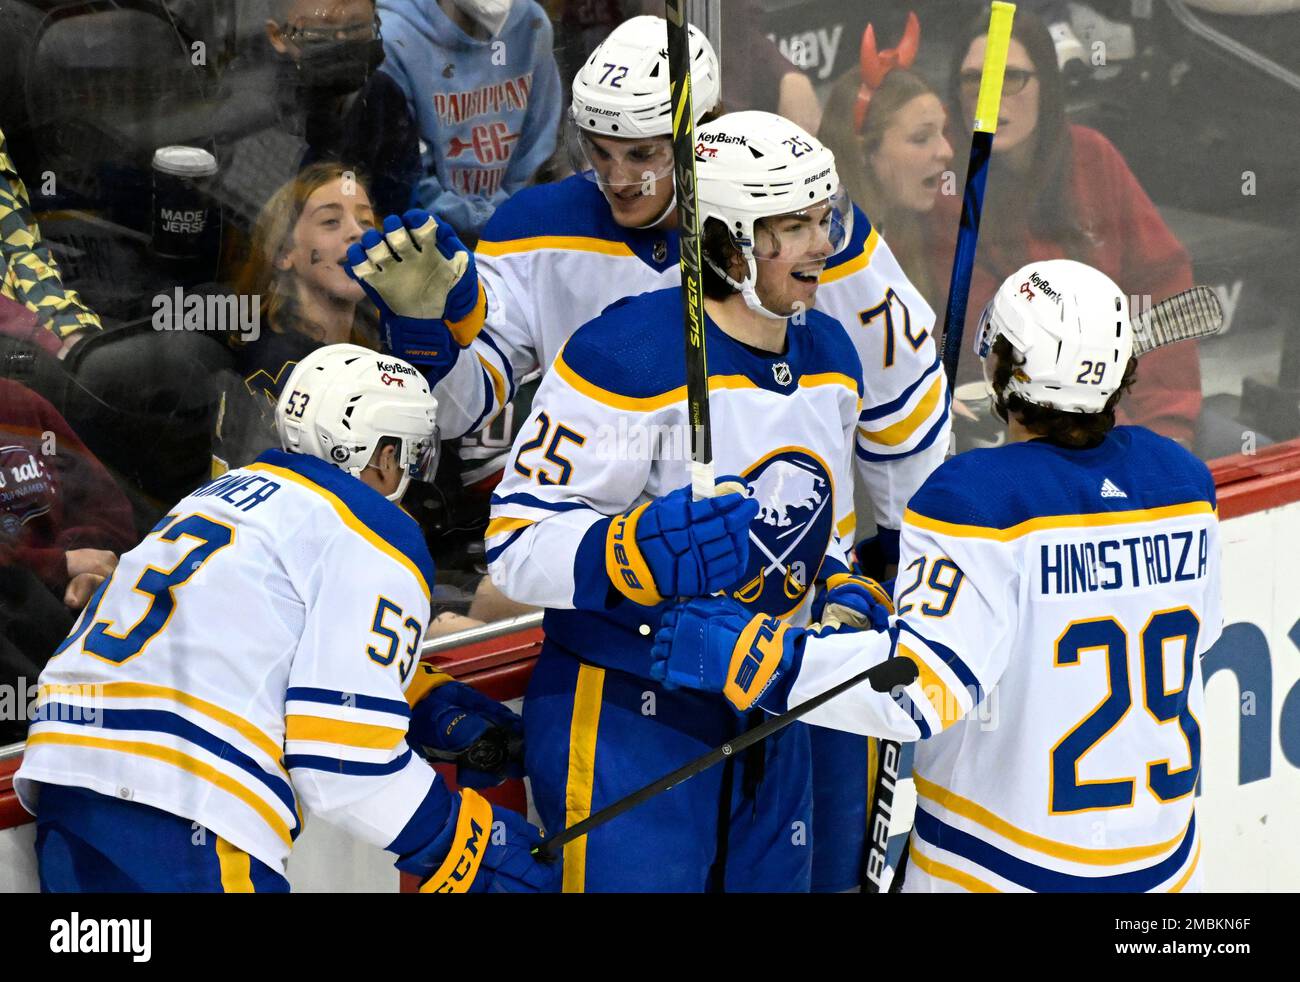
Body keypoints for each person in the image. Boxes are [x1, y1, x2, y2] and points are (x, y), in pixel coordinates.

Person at [652, 259, 1222, 893]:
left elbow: (916, 693)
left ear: (1002, 367)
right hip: (1169, 871)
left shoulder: (974, 499)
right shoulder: (1184, 482)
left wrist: (754, 656)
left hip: (996, 869)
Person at [481, 111, 887, 892]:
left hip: (775, 705)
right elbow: (516, 543)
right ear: (730, 244)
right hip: (632, 719)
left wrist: (840, 589)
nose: (822, 244)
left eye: (822, 218)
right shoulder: (626, 355)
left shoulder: (831, 356)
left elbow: (822, 534)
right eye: (792, 226)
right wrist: (630, 553)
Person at [16, 344, 555, 893]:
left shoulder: (212, 498)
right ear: (385, 455)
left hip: (65, 773)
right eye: (412, 455)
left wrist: (418, 700)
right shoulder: (371, 529)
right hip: (186, 803)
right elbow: (343, 768)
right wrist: (466, 843)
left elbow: (251, 648)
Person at [932, 11, 1203, 447]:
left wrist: (1168, 427)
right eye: (972, 79)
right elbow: (986, 342)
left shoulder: (1092, 156)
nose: (989, 97)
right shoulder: (946, 185)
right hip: (1024, 435)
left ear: (1048, 87)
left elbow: (1162, 285)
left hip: (1134, 416)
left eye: (1013, 77)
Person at [378, 0, 563, 241]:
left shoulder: (531, 24)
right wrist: (492, 220)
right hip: (427, 236)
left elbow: (537, 146)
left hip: (516, 230)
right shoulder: (394, 37)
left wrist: (515, 217)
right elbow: (406, 176)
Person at [819, 14, 953, 304]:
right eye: (921, 138)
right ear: (864, 151)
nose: (946, 151)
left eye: (944, 132)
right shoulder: (823, 257)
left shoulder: (924, 225)